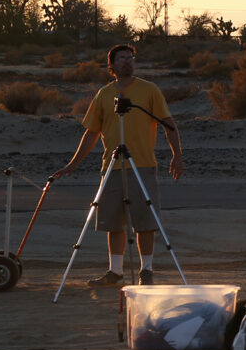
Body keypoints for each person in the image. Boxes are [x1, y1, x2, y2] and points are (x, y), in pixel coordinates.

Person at [52, 43, 184, 287]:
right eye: (122, 58)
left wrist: (177, 155)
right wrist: (73, 164)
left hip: (142, 164)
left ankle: (147, 271)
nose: (127, 61)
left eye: (131, 57)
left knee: (145, 221)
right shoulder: (104, 94)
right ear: (111, 65)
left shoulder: (149, 90)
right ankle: (115, 271)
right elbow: (91, 133)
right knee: (113, 222)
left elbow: (168, 123)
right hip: (112, 166)